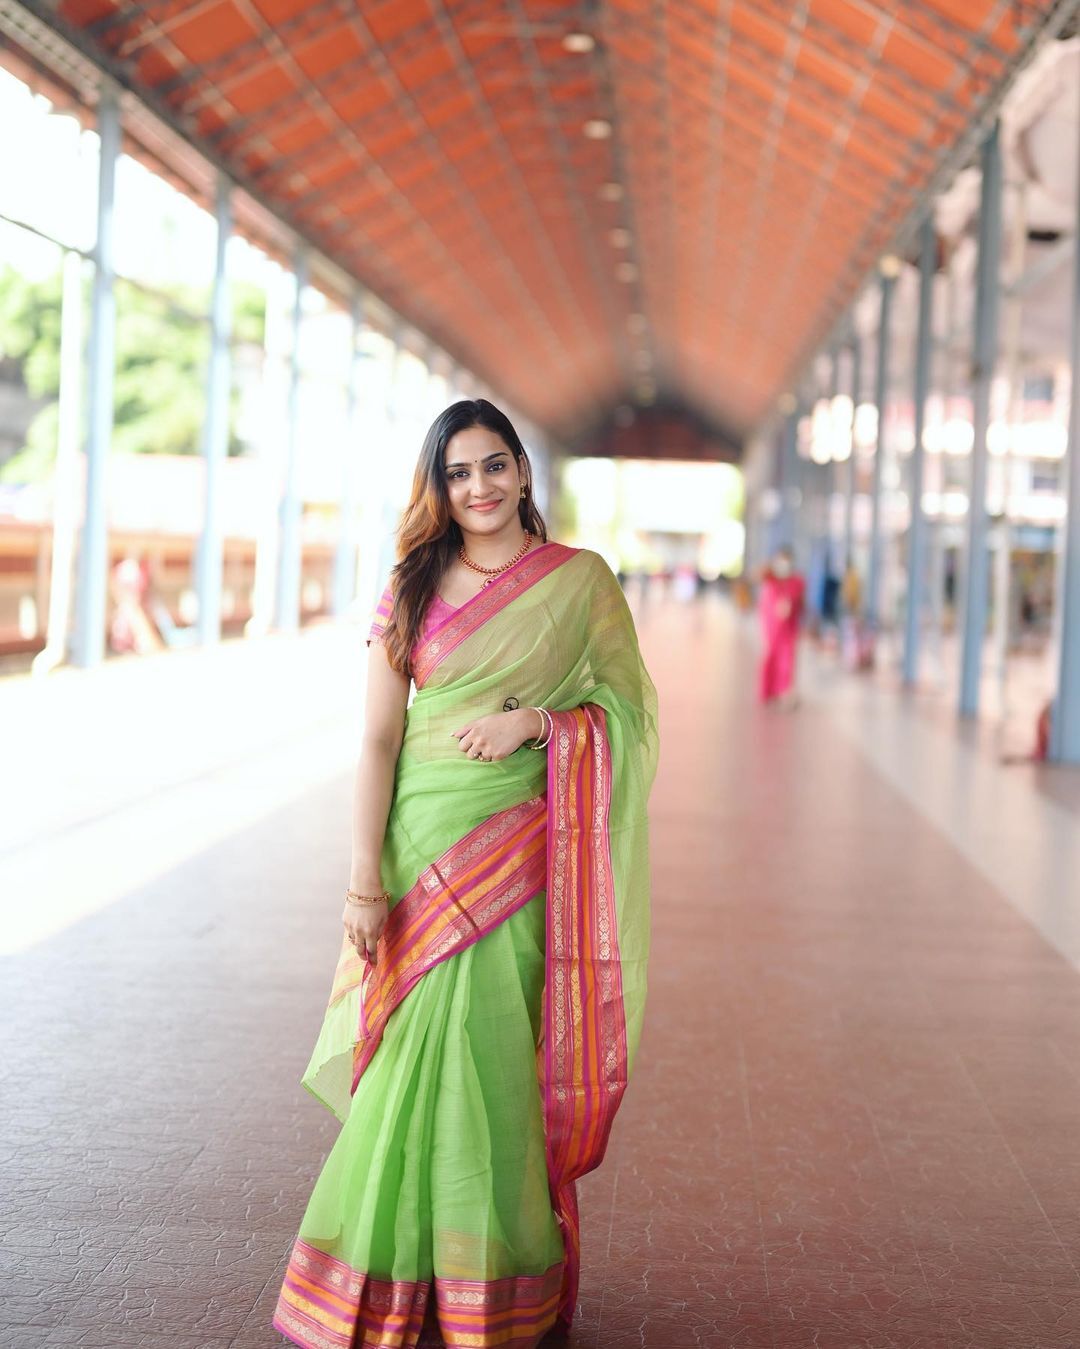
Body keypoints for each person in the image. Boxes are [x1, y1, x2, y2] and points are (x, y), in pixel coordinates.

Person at [272, 399, 659, 1349]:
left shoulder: (581, 584)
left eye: (492, 466)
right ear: (438, 486)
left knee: (490, 1056)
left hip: (523, 849)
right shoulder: (410, 583)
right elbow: (375, 737)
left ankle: (493, 1283)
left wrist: (536, 724)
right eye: (456, 472)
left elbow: (630, 714)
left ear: (523, 470)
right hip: (419, 847)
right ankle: (384, 1279)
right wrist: (363, 878)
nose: (477, 487)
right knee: (406, 1059)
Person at [757, 544, 805, 708]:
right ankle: (769, 691)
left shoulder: (796, 581)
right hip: (772, 627)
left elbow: (798, 600)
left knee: (787, 659)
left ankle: (784, 691)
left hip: (789, 628)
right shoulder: (770, 579)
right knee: (771, 656)